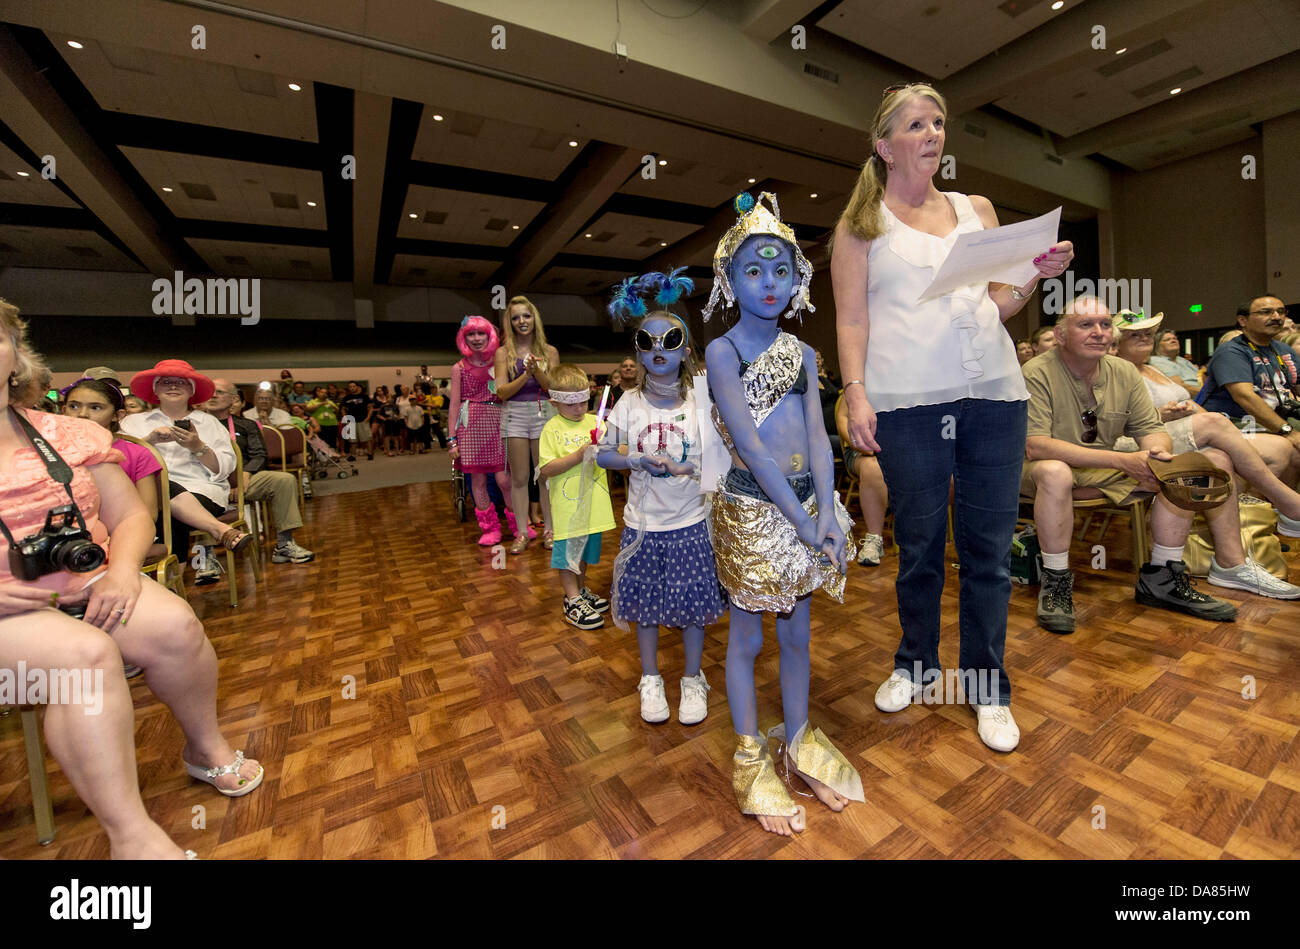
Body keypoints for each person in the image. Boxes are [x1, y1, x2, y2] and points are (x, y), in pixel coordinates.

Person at [832, 82, 1070, 754]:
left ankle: (987, 685)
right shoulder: (861, 225)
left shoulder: (977, 209)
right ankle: (916, 663)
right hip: (907, 403)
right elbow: (852, 318)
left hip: (994, 395)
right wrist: (855, 392)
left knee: (989, 551)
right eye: (916, 124)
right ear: (885, 145)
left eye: (938, 122)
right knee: (922, 549)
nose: (933, 133)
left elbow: (998, 304)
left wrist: (1036, 274)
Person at [0, 299, 263, 859]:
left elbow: (131, 515)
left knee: (176, 627)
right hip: (8, 611)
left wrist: (121, 572)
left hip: (89, 579)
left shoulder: (67, 434)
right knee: (86, 657)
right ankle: (133, 839)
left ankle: (204, 747)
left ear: (16, 356)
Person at [705, 192, 861, 836]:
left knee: (797, 633)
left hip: (807, 507)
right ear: (730, 280)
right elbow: (748, 443)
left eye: (781, 271)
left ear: (797, 279)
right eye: (753, 271)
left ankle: (798, 741)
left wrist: (827, 511)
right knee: (746, 640)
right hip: (752, 510)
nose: (769, 283)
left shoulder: (801, 352)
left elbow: (820, 439)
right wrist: (801, 520)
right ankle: (748, 757)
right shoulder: (722, 352)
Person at [1021, 298, 1240, 631]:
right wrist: (1123, 460)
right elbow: (1036, 446)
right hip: (1034, 469)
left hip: (1100, 467)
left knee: (1178, 473)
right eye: (1086, 325)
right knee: (1055, 471)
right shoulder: (1036, 371)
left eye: (1105, 325)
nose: (1099, 333)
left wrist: (1157, 455)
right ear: (1061, 335)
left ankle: (1162, 578)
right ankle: (1055, 580)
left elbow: (1150, 429)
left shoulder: (1123, 371)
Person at [599, 271, 727, 725]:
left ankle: (693, 678)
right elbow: (602, 456)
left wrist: (688, 468)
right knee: (646, 607)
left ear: (685, 351)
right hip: (643, 523)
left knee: (693, 606)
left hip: (691, 521)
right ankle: (650, 677)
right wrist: (635, 460)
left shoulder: (701, 401)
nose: (658, 349)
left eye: (670, 340)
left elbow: (721, 457)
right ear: (637, 350)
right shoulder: (627, 404)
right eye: (647, 341)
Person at [1111, 312, 1300, 574]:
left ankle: (1246, 532)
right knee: (1215, 435)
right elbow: (1116, 424)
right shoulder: (1114, 370)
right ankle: (1287, 504)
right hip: (1141, 442)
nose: (1144, 338)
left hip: (1183, 430)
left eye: (1148, 333)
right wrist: (1163, 415)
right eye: (1134, 334)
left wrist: (1207, 420)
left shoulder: (1153, 368)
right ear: (1116, 342)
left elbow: (1195, 407)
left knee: (1279, 448)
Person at [117, 360, 249, 585]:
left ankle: (168, 584)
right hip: (145, 495)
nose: (173, 386)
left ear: (192, 390)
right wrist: (149, 441)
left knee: (166, 508)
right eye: (166, 382)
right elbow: (120, 460)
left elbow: (226, 467)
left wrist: (198, 447)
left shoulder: (209, 423)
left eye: (181, 382)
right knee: (162, 493)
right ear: (155, 389)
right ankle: (217, 531)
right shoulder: (133, 422)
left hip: (204, 492)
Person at [205, 379, 315, 565]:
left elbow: (259, 455)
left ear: (233, 399)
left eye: (219, 392)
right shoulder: (194, 425)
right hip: (207, 483)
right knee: (192, 492)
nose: (213, 395)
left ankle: (284, 545)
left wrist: (245, 474)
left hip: (244, 480)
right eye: (210, 392)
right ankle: (205, 560)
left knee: (284, 480)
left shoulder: (246, 425)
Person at [538, 364, 615, 628]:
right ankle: (571, 599)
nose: (579, 409)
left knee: (583, 554)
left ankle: (580, 591)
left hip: (593, 504)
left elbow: (610, 456)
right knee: (568, 555)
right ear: (555, 402)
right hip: (567, 509)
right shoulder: (552, 428)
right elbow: (546, 469)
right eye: (572, 404)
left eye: (584, 401)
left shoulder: (597, 423)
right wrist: (578, 455)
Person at [1199, 296, 1300, 477]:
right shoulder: (1232, 351)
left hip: (1276, 417)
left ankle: (1284, 503)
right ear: (1243, 321)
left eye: (1281, 311)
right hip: (1237, 422)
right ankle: (1270, 503)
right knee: (1292, 450)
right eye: (1266, 312)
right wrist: (1288, 431)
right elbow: (1245, 397)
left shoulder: (1284, 350)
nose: (1276, 316)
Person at [496, 295, 560, 553]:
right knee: (520, 478)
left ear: (535, 318)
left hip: (544, 413)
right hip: (514, 416)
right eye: (515, 317)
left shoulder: (550, 351)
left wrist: (538, 371)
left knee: (545, 476)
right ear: (509, 323)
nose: (522, 321)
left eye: (526, 315)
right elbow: (501, 392)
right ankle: (522, 533)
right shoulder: (503, 353)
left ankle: (551, 531)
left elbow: (553, 390)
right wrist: (525, 374)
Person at [448, 316, 519, 546]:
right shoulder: (458, 368)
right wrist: (452, 439)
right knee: (477, 481)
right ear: (463, 337)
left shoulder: (501, 362)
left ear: (491, 336)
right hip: (470, 428)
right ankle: (489, 529)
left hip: (500, 423)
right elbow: (454, 405)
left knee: (504, 480)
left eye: (481, 334)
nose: (476, 339)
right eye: (471, 334)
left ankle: (519, 525)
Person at [833, 393, 888, 566]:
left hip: (899, 450)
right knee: (873, 468)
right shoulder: (859, 382)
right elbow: (842, 418)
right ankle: (874, 538)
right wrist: (861, 444)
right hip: (860, 450)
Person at [1149, 328, 1201, 397]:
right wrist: (1206, 394)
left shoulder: (1183, 360)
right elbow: (1180, 387)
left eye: (1175, 338)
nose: (1173, 340)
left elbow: (1201, 378)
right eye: (1167, 340)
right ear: (1157, 345)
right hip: (1190, 398)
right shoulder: (1156, 360)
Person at [337, 381, 372, 461]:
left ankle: (370, 453)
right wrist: (346, 418)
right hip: (351, 421)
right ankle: (353, 455)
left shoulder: (364, 397)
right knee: (352, 440)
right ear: (349, 388)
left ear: (357, 387)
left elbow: (370, 408)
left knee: (366, 438)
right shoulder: (347, 398)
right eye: (350, 386)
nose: (352, 388)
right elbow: (343, 409)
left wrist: (368, 418)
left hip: (362, 420)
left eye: (354, 386)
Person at [305, 386, 340, 454]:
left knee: (332, 442)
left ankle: (333, 456)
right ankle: (324, 457)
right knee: (321, 442)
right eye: (322, 392)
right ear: (318, 393)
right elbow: (309, 410)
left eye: (326, 393)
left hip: (332, 424)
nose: (324, 394)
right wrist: (321, 404)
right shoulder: (313, 401)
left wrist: (333, 407)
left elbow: (337, 411)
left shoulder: (330, 402)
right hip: (320, 425)